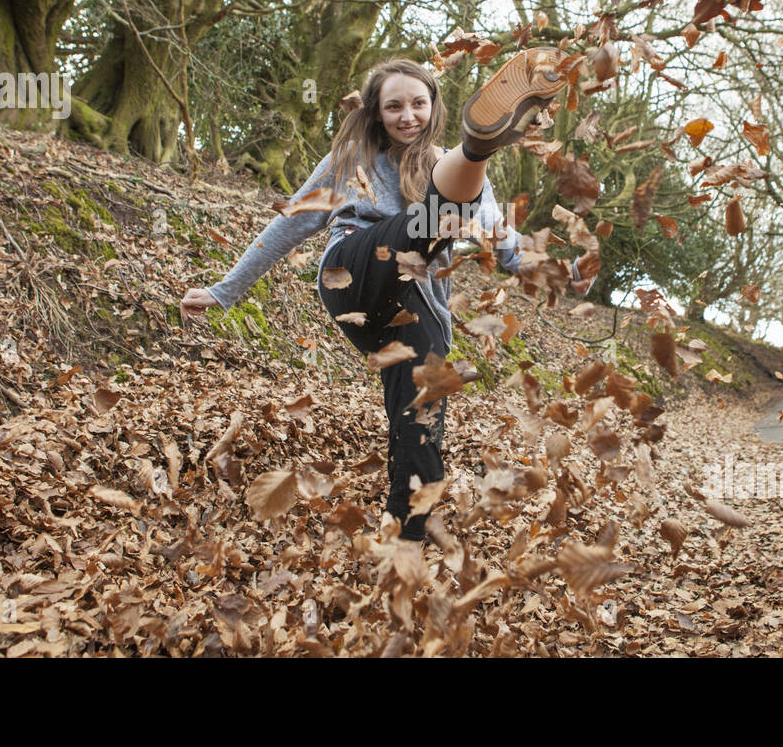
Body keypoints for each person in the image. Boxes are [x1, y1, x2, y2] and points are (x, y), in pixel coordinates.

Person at [180, 50, 598, 540]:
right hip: (354, 269)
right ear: (376, 112)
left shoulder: (458, 177)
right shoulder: (351, 160)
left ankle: (406, 545)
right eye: (394, 106)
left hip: (413, 306)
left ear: (434, 106)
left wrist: (562, 275)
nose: (408, 116)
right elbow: (289, 222)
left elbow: (508, 252)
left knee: (421, 422)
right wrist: (225, 290)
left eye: (418, 104)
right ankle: (482, 144)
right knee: (428, 220)